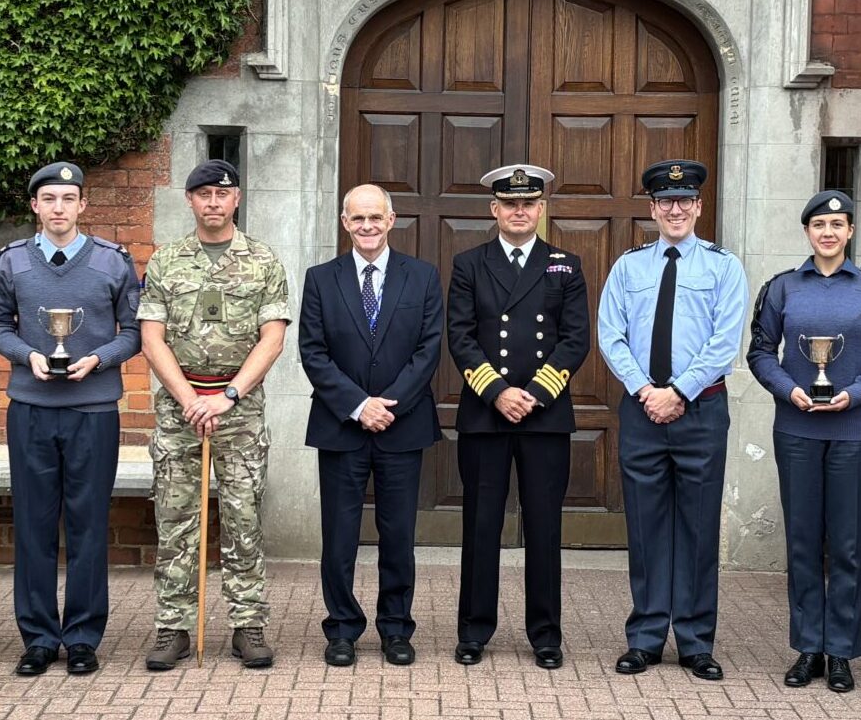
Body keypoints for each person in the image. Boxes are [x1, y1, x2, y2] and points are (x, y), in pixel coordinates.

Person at [0, 161, 145, 677]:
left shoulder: (112, 262)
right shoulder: (11, 262)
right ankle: (37, 637)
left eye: (68, 199)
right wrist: (26, 354)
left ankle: (81, 637)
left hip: (93, 410)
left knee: (88, 524)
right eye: (48, 199)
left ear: (82, 205)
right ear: (35, 206)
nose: (59, 208)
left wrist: (97, 359)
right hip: (31, 407)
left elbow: (134, 332)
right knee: (32, 525)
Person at [596, 159, 748, 681]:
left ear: (699, 206)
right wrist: (646, 390)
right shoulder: (629, 267)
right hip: (641, 411)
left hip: (701, 411)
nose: (676, 209)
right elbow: (610, 335)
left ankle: (695, 641)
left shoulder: (723, 267)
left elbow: (726, 341)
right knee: (645, 527)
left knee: (698, 528)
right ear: (653, 208)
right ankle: (644, 638)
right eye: (666, 201)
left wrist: (678, 391)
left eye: (685, 201)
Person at [138, 158, 292, 672]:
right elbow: (151, 337)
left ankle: (248, 623)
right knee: (175, 518)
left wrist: (226, 395)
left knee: (243, 517)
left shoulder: (263, 261)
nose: (212, 203)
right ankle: (173, 626)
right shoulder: (166, 261)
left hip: (238, 410)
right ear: (189, 200)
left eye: (221, 194)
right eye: (203, 194)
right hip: (181, 409)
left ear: (237, 199)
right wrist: (188, 399)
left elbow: (272, 338)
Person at [746, 190, 861, 693]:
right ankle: (808, 646)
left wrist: (856, 394)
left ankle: (841, 651)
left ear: (851, 232)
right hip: (797, 428)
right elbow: (761, 352)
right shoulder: (784, 289)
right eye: (819, 225)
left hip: (853, 429)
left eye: (838, 224)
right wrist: (788, 387)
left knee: (849, 544)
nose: (828, 232)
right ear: (807, 233)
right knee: (804, 542)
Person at [446, 163, 591, 669]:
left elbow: (575, 340)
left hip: (544, 418)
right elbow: (460, 337)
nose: (519, 211)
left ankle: (546, 635)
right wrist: (497, 392)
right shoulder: (469, 263)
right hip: (486, 416)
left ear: (540, 209)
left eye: (528, 203)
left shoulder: (565, 266)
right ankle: (474, 630)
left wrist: (533, 393)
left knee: (544, 527)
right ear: (495, 210)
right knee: (481, 525)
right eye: (510, 204)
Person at [299, 183, 445, 667]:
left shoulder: (422, 277)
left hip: (402, 427)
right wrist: (360, 405)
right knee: (339, 536)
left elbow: (428, 350)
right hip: (341, 426)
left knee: (398, 534)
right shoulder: (321, 279)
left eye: (374, 218)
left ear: (391, 219)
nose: (366, 226)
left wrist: (390, 406)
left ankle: (396, 628)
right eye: (357, 218)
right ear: (345, 223)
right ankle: (341, 629)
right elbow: (313, 352)